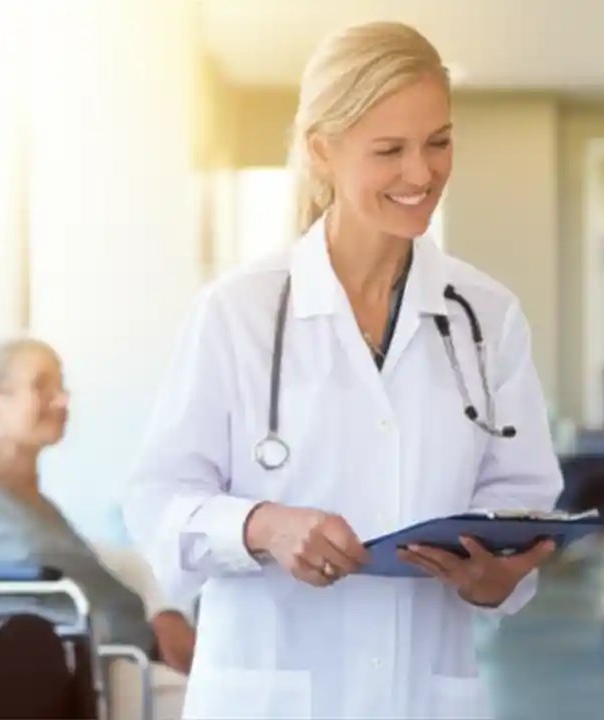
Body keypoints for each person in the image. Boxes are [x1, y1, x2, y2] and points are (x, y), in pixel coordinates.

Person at [120, 20, 563, 719]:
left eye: (439, 143)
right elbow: (156, 501)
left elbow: (523, 496)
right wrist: (263, 525)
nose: (422, 174)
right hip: (273, 693)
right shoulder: (239, 310)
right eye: (390, 150)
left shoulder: (487, 316)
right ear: (322, 151)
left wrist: (497, 576)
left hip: (424, 692)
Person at [0, 338, 196, 675]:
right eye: (41, 386)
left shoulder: (35, 504)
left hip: (124, 664)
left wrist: (162, 609)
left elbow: (103, 565)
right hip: (60, 674)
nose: (62, 400)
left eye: (62, 386)